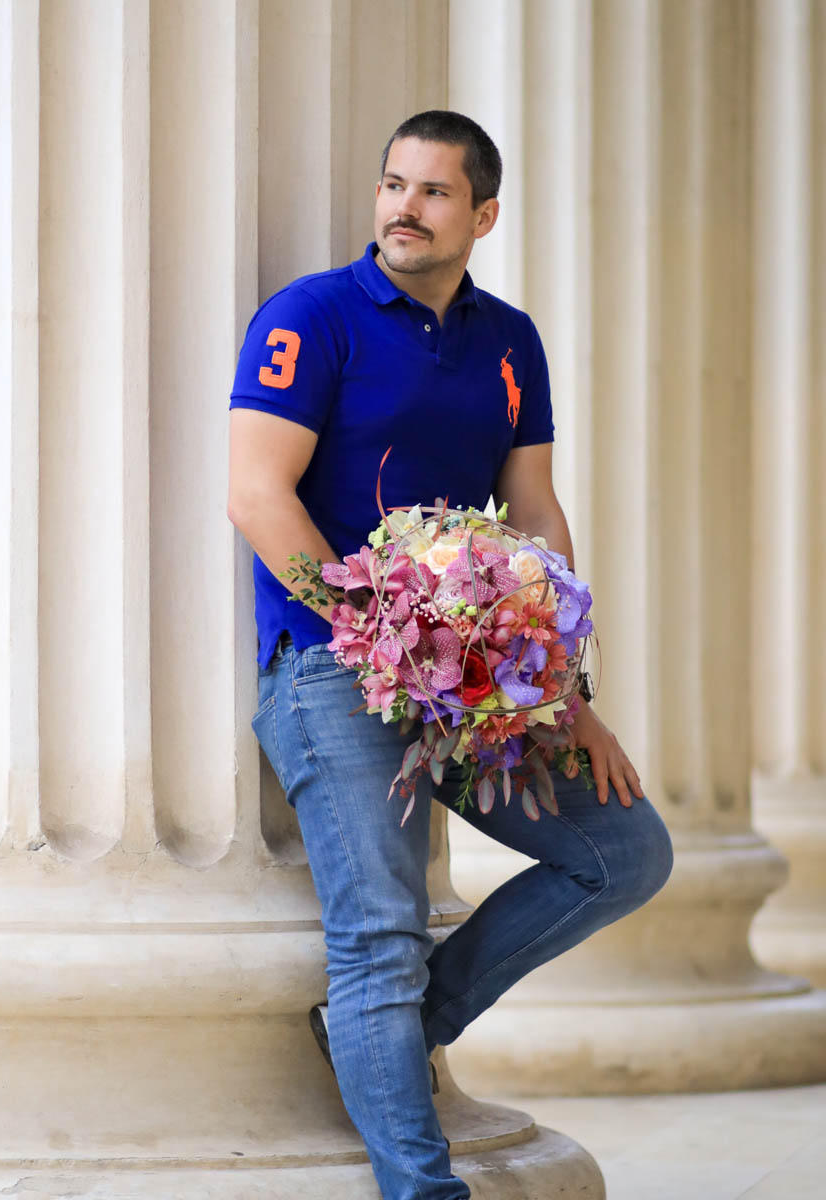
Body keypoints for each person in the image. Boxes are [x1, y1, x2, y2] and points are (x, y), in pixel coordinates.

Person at [226, 111, 674, 1200]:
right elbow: (257, 495)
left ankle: (392, 1025)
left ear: (483, 214)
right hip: (330, 668)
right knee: (379, 935)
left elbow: (535, 514)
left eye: (432, 192)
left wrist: (565, 691)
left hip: (472, 680)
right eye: (394, 184)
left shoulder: (511, 342)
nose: (403, 208)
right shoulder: (310, 318)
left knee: (624, 852)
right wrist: (372, 632)